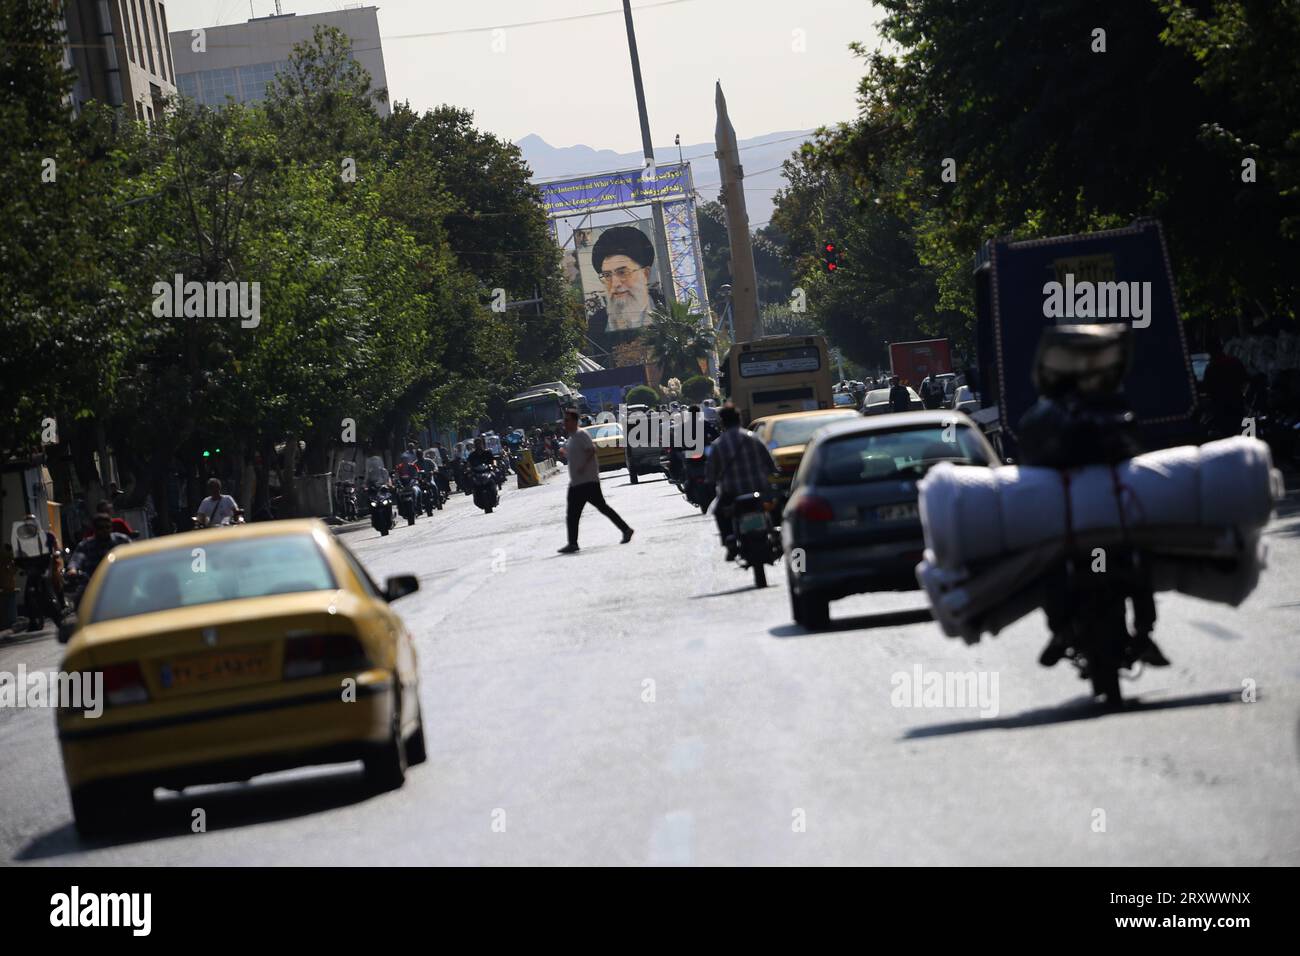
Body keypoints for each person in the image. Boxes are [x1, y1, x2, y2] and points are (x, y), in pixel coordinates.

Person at [706, 404, 778, 560]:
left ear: (723, 423)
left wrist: (711, 482)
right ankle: (776, 532)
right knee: (775, 504)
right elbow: (770, 463)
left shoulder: (718, 445)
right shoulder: (753, 438)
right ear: (739, 419)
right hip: (759, 488)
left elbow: (710, 474)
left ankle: (730, 541)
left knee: (718, 512)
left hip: (731, 493)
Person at [557, 408, 633, 554]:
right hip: (577, 482)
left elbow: (591, 450)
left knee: (587, 510)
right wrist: (565, 453)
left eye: (567, 420)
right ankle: (573, 542)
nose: (564, 423)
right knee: (577, 513)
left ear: (574, 421)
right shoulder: (572, 437)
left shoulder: (581, 434)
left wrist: (583, 467)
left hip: (587, 481)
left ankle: (573, 543)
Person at [585, 226, 664, 354]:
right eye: (607, 275)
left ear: (645, 273)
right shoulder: (596, 326)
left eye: (622, 272)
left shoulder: (668, 311)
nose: (615, 284)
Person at [66, 513, 130, 585]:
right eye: (101, 528)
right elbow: (77, 558)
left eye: (107, 527)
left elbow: (133, 555)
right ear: (94, 529)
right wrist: (73, 569)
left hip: (121, 581)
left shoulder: (122, 540)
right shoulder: (86, 545)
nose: (105, 530)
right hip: (94, 584)